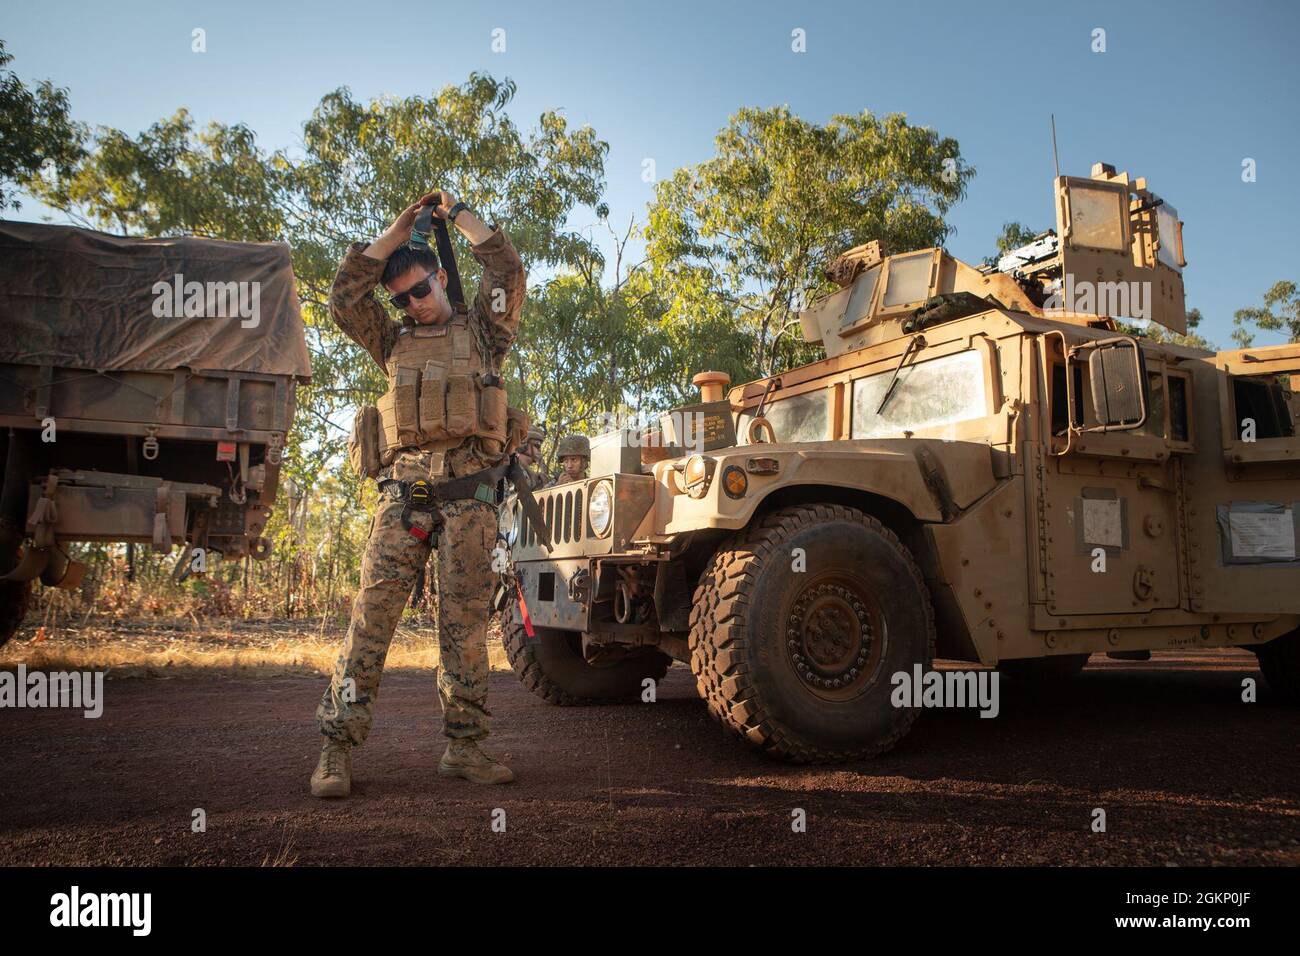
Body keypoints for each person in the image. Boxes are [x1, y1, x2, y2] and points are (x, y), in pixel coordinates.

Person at [311, 189, 526, 797]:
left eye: (419, 289)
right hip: (403, 497)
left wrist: (455, 213)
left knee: (463, 627)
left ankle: (465, 746)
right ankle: (336, 749)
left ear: (439, 276)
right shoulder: (389, 339)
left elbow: (506, 268)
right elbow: (342, 297)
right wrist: (396, 228)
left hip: (470, 499)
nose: (410, 302)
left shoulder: (486, 332)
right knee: (370, 621)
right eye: (399, 296)